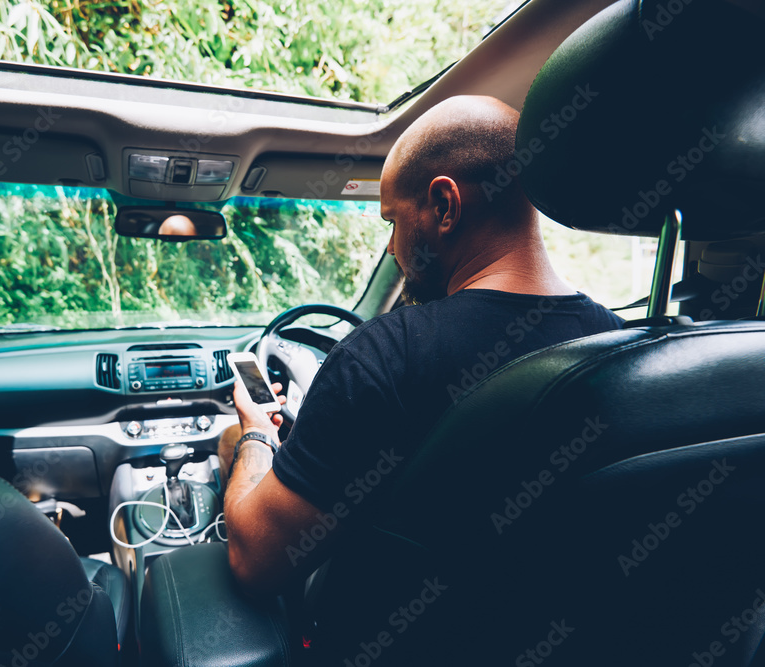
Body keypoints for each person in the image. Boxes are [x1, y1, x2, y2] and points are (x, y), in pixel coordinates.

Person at [220, 95, 624, 597]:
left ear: (444, 205)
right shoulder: (618, 346)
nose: (392, 248)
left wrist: (254, 435)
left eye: (392, 221)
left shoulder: (384, 359)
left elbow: (253, 561)